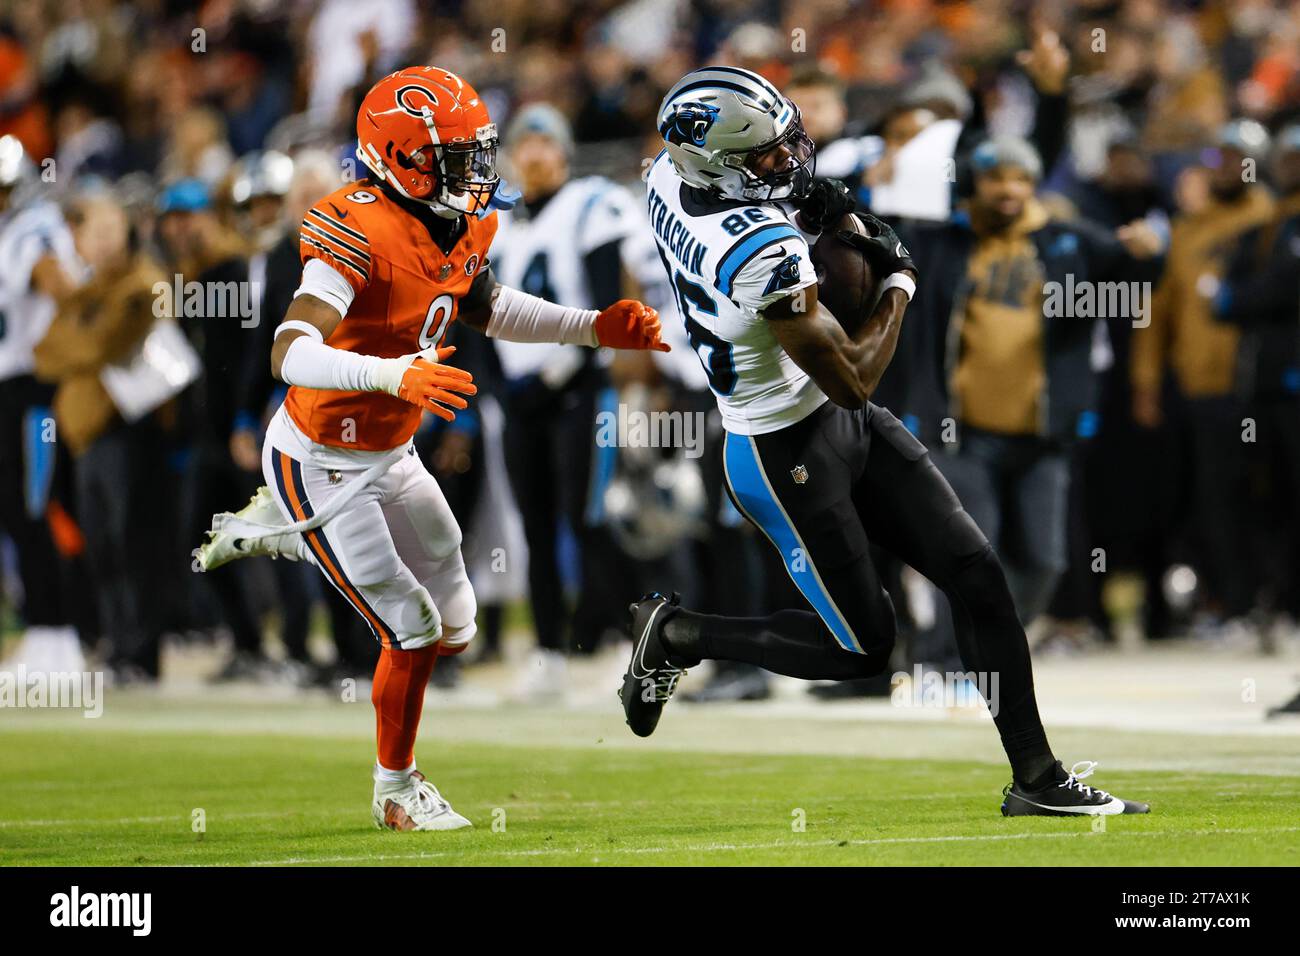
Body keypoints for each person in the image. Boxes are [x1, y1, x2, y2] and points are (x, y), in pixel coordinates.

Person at [625, 65, 1148, 816]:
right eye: (766, 157)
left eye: (785, 143)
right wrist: (897, 282)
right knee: (861, 649)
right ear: (720, 165)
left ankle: (1037, 779)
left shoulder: (669, 178)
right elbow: (856, 379)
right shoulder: (755, 248)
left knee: (978, 576)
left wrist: (835, 208)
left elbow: (801, 200)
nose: (788, 161)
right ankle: (675, 633)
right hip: (783, 452)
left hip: (833, 422)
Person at [195, 67, 666, 831]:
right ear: (398, 157)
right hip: (319, 457)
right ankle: (396, 787)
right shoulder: (357, 223)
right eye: (456, 157)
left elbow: (485, 305)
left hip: (391, 452)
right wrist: (393, 374)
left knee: (458, 626)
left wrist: (592, 326)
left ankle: (286, 534)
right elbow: (289, 349)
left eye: (477, 153)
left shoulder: (461, 221)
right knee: (410, 627)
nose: (475, 173)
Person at [490, 103, 649, 701]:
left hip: (579, 387)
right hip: (518, 395)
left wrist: (557, 373)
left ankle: (624, 643)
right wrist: (502, 387)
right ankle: (550, 652)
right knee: (534, 528)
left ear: (563, 152)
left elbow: (608, 311)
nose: (533, 153)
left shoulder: (590, 204)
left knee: (590, 519)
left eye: (544, 141)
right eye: (524, 142)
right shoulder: (499, 222)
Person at [0, 135, 85, 676]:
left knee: (36, 505)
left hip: (37, 385)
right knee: (16, 507)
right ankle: (42, 630)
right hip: (13, 385)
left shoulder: (34, 225)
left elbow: (60, 285)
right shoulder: (12, 230)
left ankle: (60, 634)